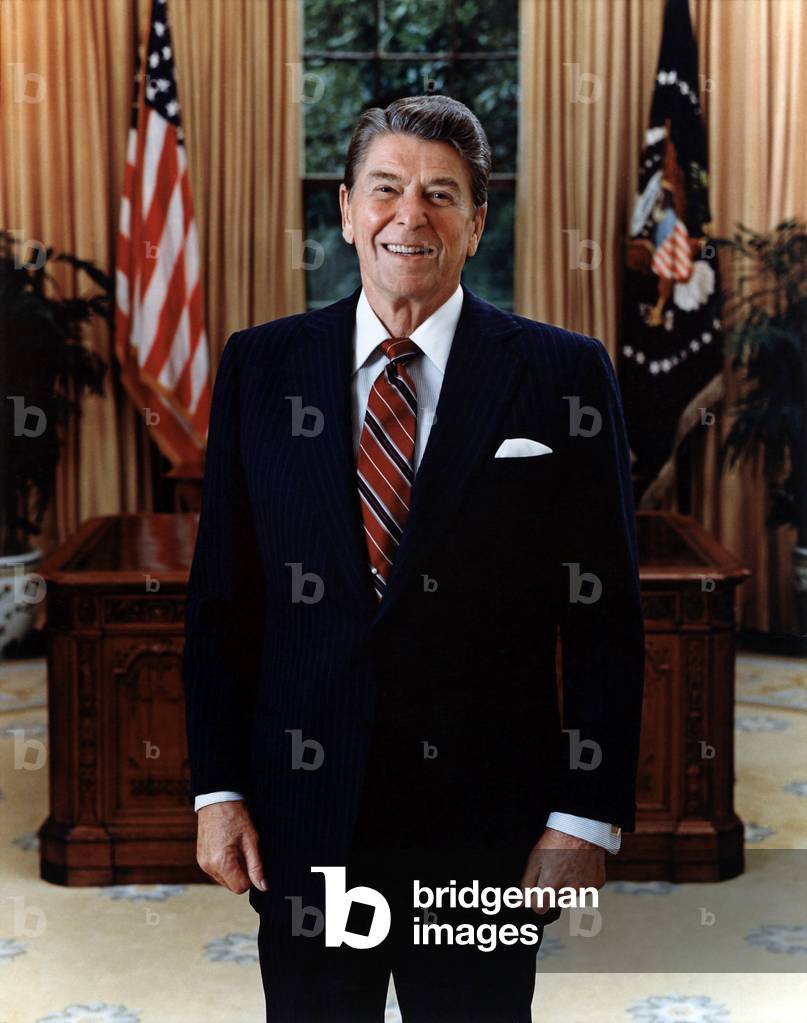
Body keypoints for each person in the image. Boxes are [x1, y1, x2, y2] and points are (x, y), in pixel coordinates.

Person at [182, 94, 645, 1022]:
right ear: (346, 209)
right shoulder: (260, 367)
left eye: (441, 194)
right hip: (303, 817)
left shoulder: (561, 373)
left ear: (478, 222)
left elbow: (603, 619)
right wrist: (218, 788)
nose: (410, 215)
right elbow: (223, 602)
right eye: (385, 188)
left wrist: (583, 815)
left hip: (482, 827)